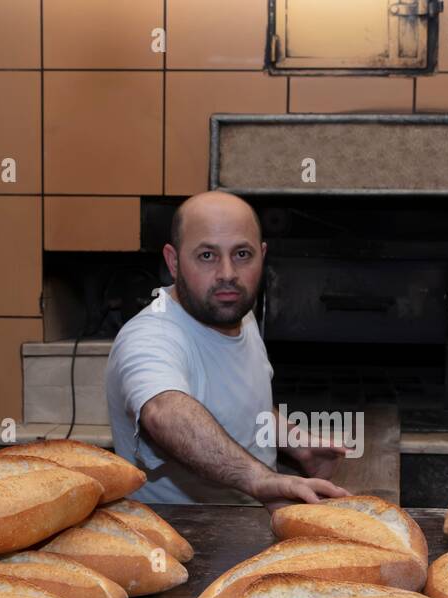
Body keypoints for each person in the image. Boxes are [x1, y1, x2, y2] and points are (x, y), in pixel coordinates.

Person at [106, 190, 349, 506]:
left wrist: (296, 442)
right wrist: (261, 480)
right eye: (207, 256)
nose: (228, 274)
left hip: (256, 519)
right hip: (185, 532)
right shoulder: (149, 336)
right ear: (173, 261)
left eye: (242, 254)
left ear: (262, 255)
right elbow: (164, 413)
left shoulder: (236, 312)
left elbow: (244, 407)